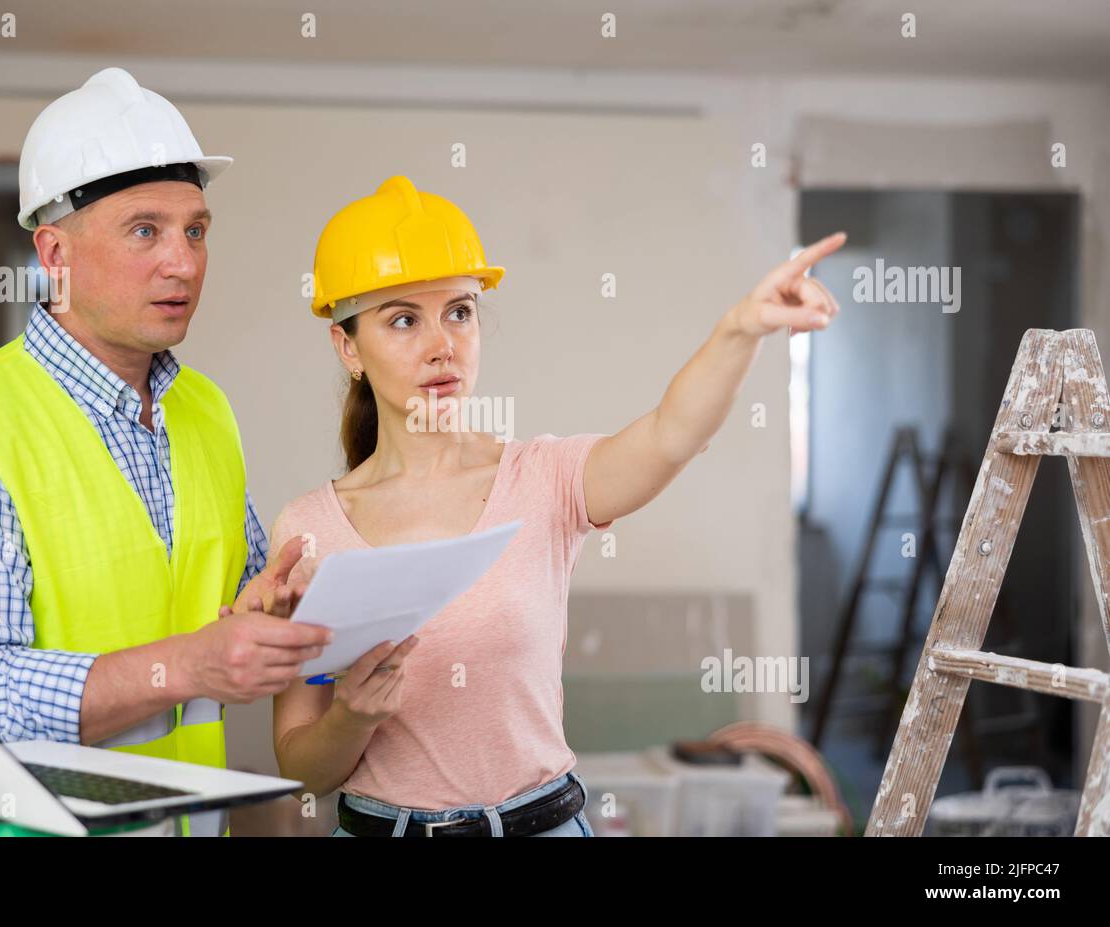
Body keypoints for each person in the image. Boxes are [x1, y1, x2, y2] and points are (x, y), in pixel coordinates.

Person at [266, 175, 845, 837]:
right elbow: (302, 764)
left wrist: (742, 328)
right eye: (403, 318)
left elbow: (670, 432)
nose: (442, 344)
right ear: (349, 347)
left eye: (459, 310)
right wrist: (353, 717)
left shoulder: (546, 479)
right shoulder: (307, 530)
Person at [0, 68, 330, 837]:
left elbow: (221, 600)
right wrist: (189, 664)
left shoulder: (205, 411)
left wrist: (267, 608)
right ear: (55, 254)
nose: (182, 261)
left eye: (196, 229)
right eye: (145, 229)